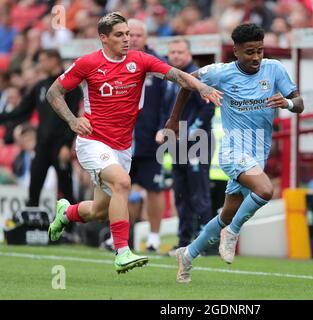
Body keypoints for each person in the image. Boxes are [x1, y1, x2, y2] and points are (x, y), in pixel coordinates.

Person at [46, 12, 222, 274]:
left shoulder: (140, 60)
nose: (126, 39)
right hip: (92, 141)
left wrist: (201, 87)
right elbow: (54, 93)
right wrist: (72, 120)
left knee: (98, 210)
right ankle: (122, 251)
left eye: (128, 34)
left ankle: (67, 213)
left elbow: (177, 75)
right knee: (123, 183)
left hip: (122, 147)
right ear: (103, 38)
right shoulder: (87, 63)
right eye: (120, 35)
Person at [163, 23, 304, 283]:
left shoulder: (274, 69)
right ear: (236, 52)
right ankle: (233, 232)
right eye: (249, 51)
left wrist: (287, 103)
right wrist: (174, 120)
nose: (256, 57)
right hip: (232, 149)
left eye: (260, 51)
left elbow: (300, 103)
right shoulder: (221, 73)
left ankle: (188, 253)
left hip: (257, 153)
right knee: (264, 191)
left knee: (226, 214)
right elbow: (186, 82)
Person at [0, 49, 82, 206]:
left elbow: (73, 117)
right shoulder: (40, 86)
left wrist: (66, 144)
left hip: (60, 145)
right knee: (34, 186)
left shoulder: (70, 87)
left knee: (66, 188)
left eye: (44, 60)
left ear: (54, 60)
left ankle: (71, 227)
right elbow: (21, 111)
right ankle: (32, 223)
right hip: (42, 144)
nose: (40, 64)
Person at [127, 18, 175, 252]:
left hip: (150, 138)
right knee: (119, 187)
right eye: (129, 34)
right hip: (123, 137)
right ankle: (120, 236)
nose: (133, 38)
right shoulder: (117, 62)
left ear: (146, 38)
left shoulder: (157, 64)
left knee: (154, 188)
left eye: (137, 35)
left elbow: (168, 101)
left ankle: (154, 237)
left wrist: (163, 128)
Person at [166, 37, 215, 255]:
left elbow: (207, 109)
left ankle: (207, 242)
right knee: (181, 194)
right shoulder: (169, 78)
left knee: (199, 193)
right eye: (172, 52)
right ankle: (183, 241)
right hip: (175, 142)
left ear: (189, 54)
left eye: (180, 52)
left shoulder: (196, 76)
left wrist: (190, 133)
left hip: (198, 142)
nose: (175, 55)